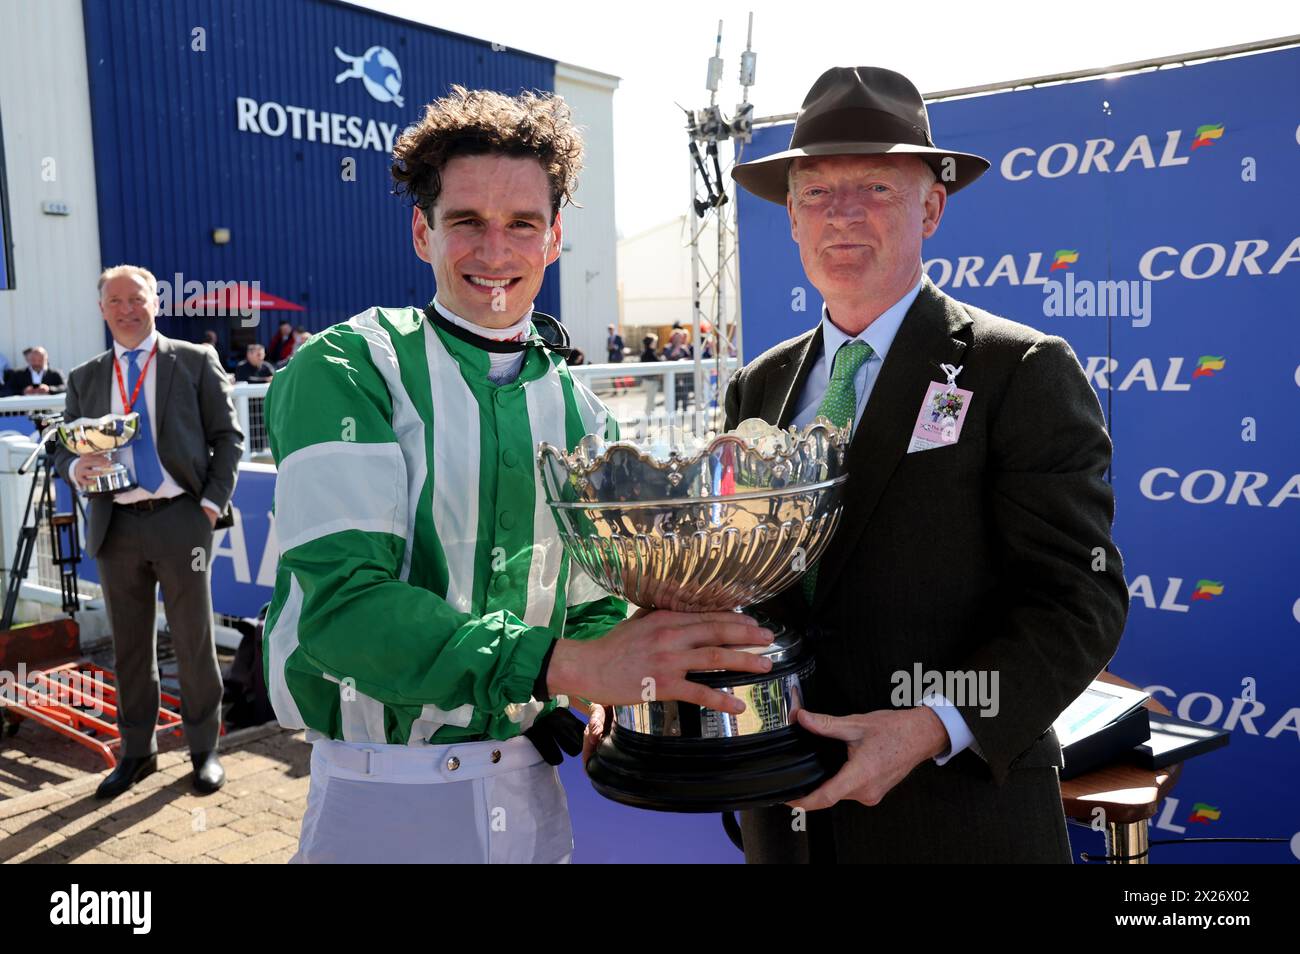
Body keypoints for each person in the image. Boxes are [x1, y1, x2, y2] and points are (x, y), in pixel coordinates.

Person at [262, 84, 771, 864]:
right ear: (421, 233)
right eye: (466, 221)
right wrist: (567, 665)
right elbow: (341, 614)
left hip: (533, 790)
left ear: (555, 237)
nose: (495, 252)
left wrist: (641, 654)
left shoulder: (582, 409)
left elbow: (587, 608)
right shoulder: (348, 365)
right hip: (383, 795)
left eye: (522, 224)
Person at [723, 67, 1129, 862]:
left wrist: (929, 727)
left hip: (956, 819)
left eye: (875, 186)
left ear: (931, 207)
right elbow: (747, 581)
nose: (842, 214)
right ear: (792, 220)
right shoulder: (760, 383)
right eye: (815, 193)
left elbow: (1080, 601)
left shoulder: (1020, 369)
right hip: (789, 815)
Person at [54, 265, 244, 800]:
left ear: (154, 302)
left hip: (181, 518)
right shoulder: (85, 378)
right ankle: (137, 752)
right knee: (130, 646)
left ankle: (204, 749)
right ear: (102, 309)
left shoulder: (194, 361)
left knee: (194, 639)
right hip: (116, 525)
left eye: (136, 299)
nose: (127, 309)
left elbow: (228, 438)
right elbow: (66, 446)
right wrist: (75, 469)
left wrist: (208, 506)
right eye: (115, 301)